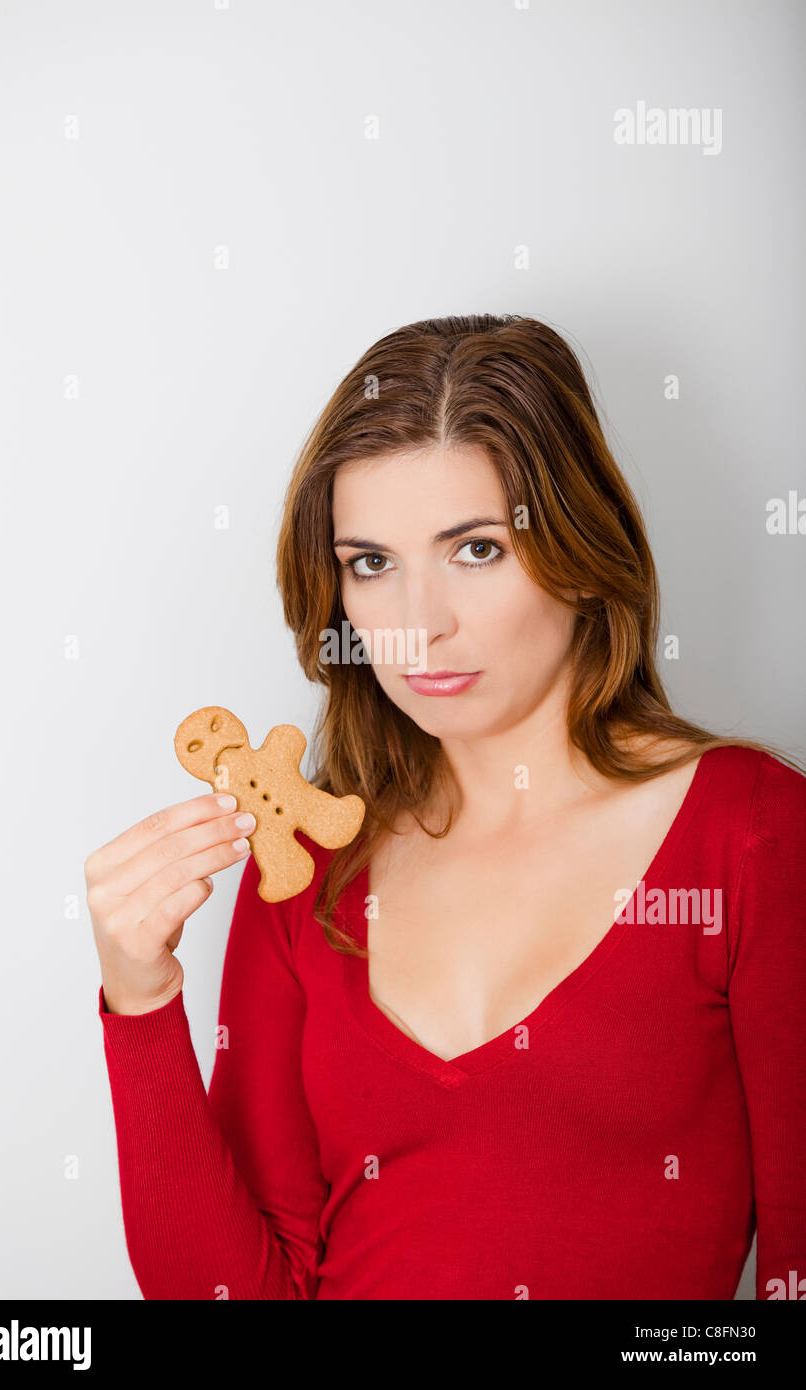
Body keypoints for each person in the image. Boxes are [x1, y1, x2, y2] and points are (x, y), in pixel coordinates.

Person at [87, 314, 806, 1300]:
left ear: (580, 548)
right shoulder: (305, 863)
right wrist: (138, 995)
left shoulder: (750, 831)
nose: (416, 627)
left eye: (473, 550)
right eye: (369, 563)